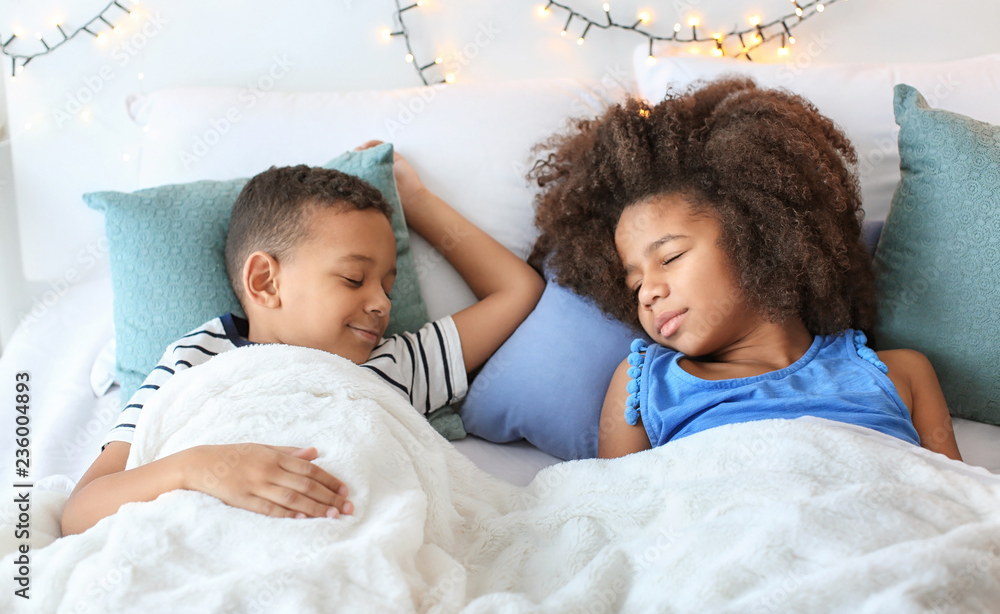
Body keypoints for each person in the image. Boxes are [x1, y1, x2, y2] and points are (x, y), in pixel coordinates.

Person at [61, 141, 545, 536]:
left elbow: (518, 288)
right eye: (355, 280)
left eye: (389, 286)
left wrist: (415, 203)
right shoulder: (195, 358)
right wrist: (200, 468)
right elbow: (82, 510)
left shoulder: (395, 364)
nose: (382, 304)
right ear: (266, 283)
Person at [527, 78, 962, 461]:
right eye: (635, 282)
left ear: (758, 235)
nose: (647, 293)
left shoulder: (899, 373)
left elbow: (962, 506)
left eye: (671, 257)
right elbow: (616, 517)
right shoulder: (643, 387)